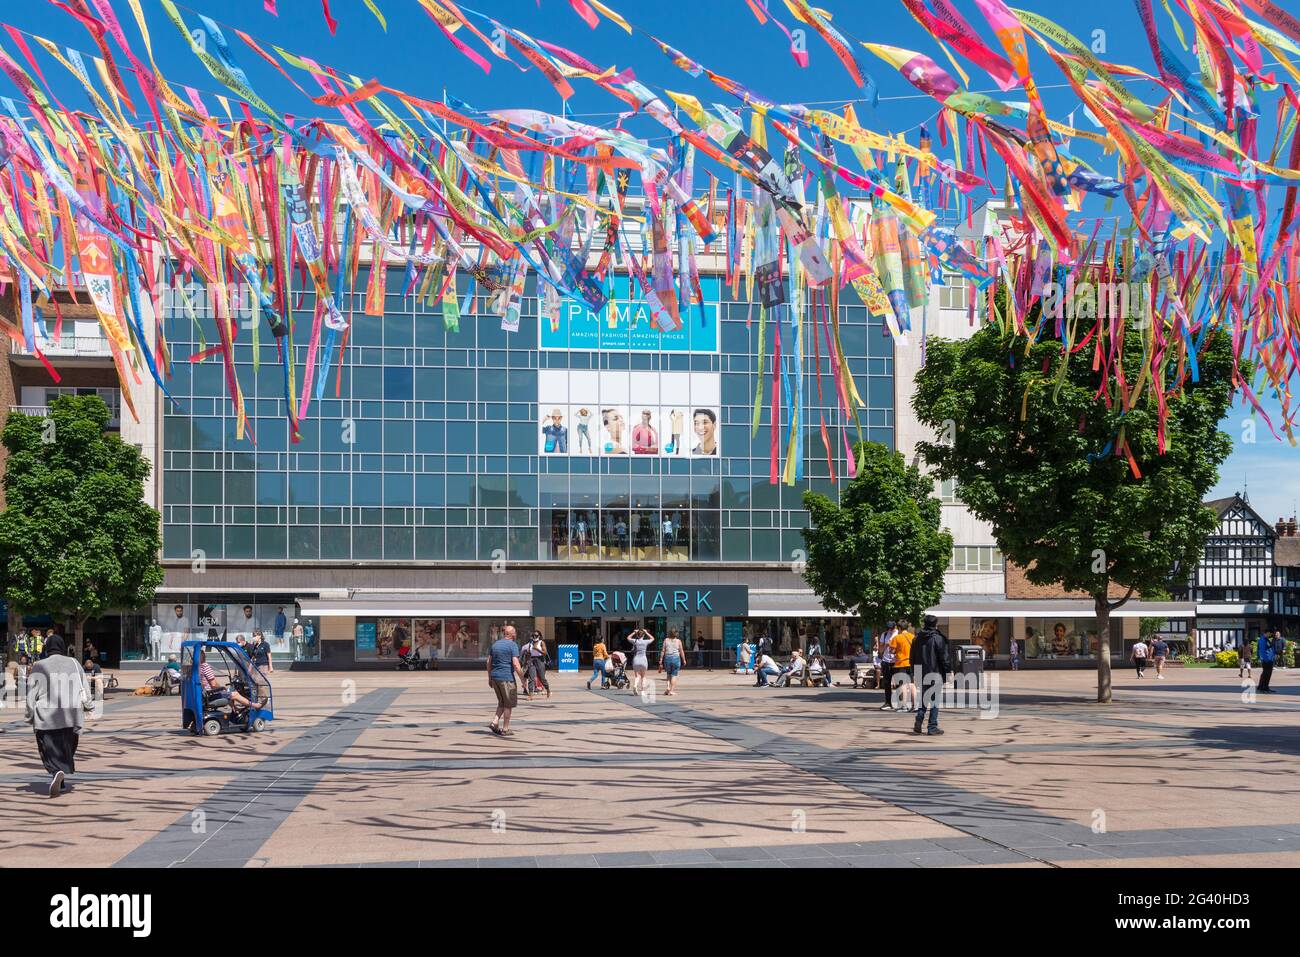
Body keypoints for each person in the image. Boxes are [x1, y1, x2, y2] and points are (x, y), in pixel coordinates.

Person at [25, 635, 93, 797]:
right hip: (71, 715)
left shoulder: (39, 665)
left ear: (47, 647)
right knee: (67, 747)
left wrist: (29, 715)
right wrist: (89, 706)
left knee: (48, 749)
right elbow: (84, 686)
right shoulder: (74, 663)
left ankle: (56, 771)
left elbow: (31, 694)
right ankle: (60, 779)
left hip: (47, 716)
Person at [912, 615, 950, 736]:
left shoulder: (917, 638)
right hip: (935, 672)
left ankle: (919, 719)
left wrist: (915, 672)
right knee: (934, 701)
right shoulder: (938, 638)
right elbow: (945, 658)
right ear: (935, 624)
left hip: (921, 673)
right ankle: (932, 726)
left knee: (924, 698)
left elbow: (912, 658)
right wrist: (948, 671)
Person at [487, 625, 526, 736]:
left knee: (502, 702)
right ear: (511, 634)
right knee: (508, 704)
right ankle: (505, 729)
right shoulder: (512, 645)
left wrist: (489, 677)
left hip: (495, 678)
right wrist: (523, 680)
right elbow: (516, 664)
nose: (516, 634)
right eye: (515, 632)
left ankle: (495, 722)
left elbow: (488, 662)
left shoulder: (495, 644)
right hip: (507, 679)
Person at [890, 620, 916, 711]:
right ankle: (914, 706)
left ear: (899, 628)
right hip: (911, 663)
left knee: (903, 685)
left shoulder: (897, 638)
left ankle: (903, 706)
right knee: (912, 684)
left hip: (900, 664)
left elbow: (892, 651)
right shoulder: (913, 637)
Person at [628, 626, 655, 695]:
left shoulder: (635, 641)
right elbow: (652, 638)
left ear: (637, 635)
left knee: (637, 676)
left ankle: (635, 686)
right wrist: (646, 632)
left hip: (636, 660)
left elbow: (628, 638)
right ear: (643, 635)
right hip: (643, 660)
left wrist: (634, 632)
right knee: (643, 676)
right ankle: (643, 691)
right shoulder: (645, 642)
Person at [660, 628, 685, 695]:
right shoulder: (679, 641)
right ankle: (671, 691)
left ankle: (668, 688)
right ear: (676, 634)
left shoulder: (666, 640)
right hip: (676, 658)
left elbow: (663, 650)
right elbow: (681, 651)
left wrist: (661, 660)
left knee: (668, 674)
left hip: (667, 658)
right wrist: (684, 660)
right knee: (674, 675)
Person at [526, 630, 550, 699]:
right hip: (532, 660)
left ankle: (547, 689)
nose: (534, 637)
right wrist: (527, 659)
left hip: (540, 660)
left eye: (536, 635)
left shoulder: (541, 642)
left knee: (542, 678)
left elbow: (545, 653)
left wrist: (537, 649)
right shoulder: (530, 643)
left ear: (539, 636)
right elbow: (529, 653)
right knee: (531, 677)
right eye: (533, 635)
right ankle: (530, 694)